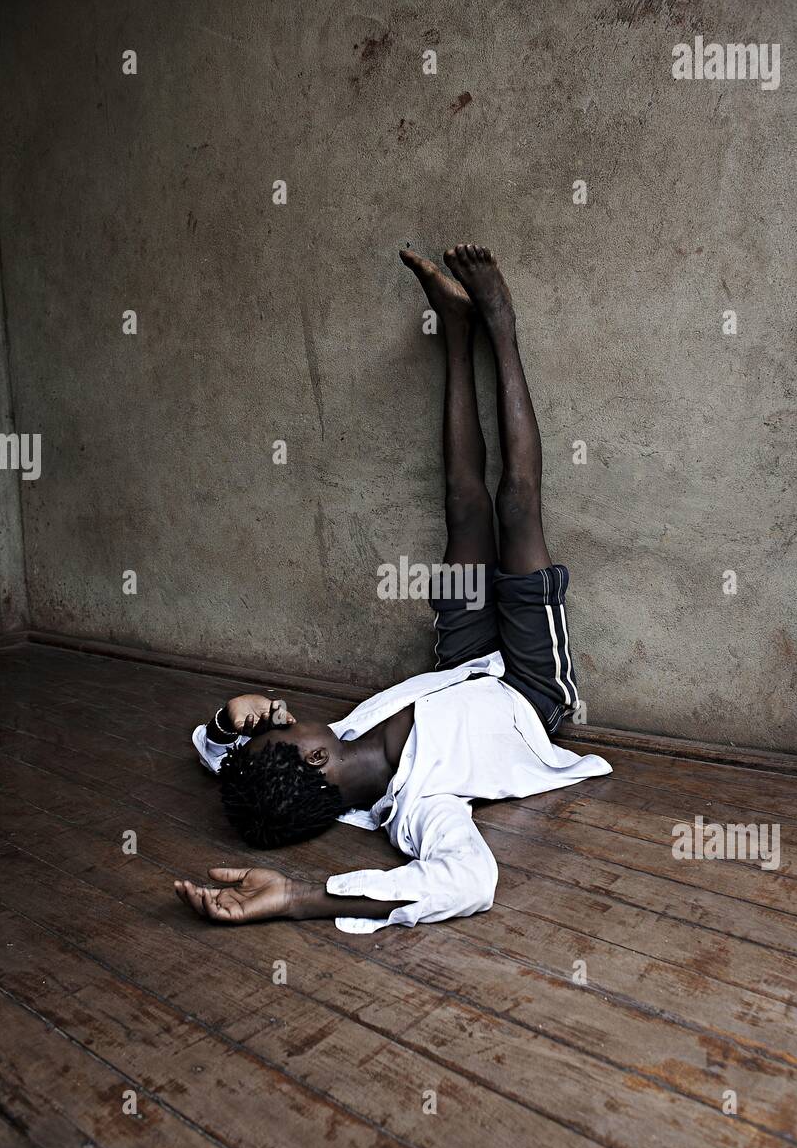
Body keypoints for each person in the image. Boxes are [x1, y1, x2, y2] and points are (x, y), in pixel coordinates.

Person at [175, 245, 611, 932]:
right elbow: (468, 882)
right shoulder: (420, 805)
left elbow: (215, 759)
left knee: (463, 505)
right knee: (516, 505)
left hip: (459, 666)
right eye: (282, 732)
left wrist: (231, 725)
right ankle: (500, 321)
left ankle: (457, 336)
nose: (284, 717)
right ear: (313, 757)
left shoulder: (332, 755)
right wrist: (296, 898)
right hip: (527, 694)